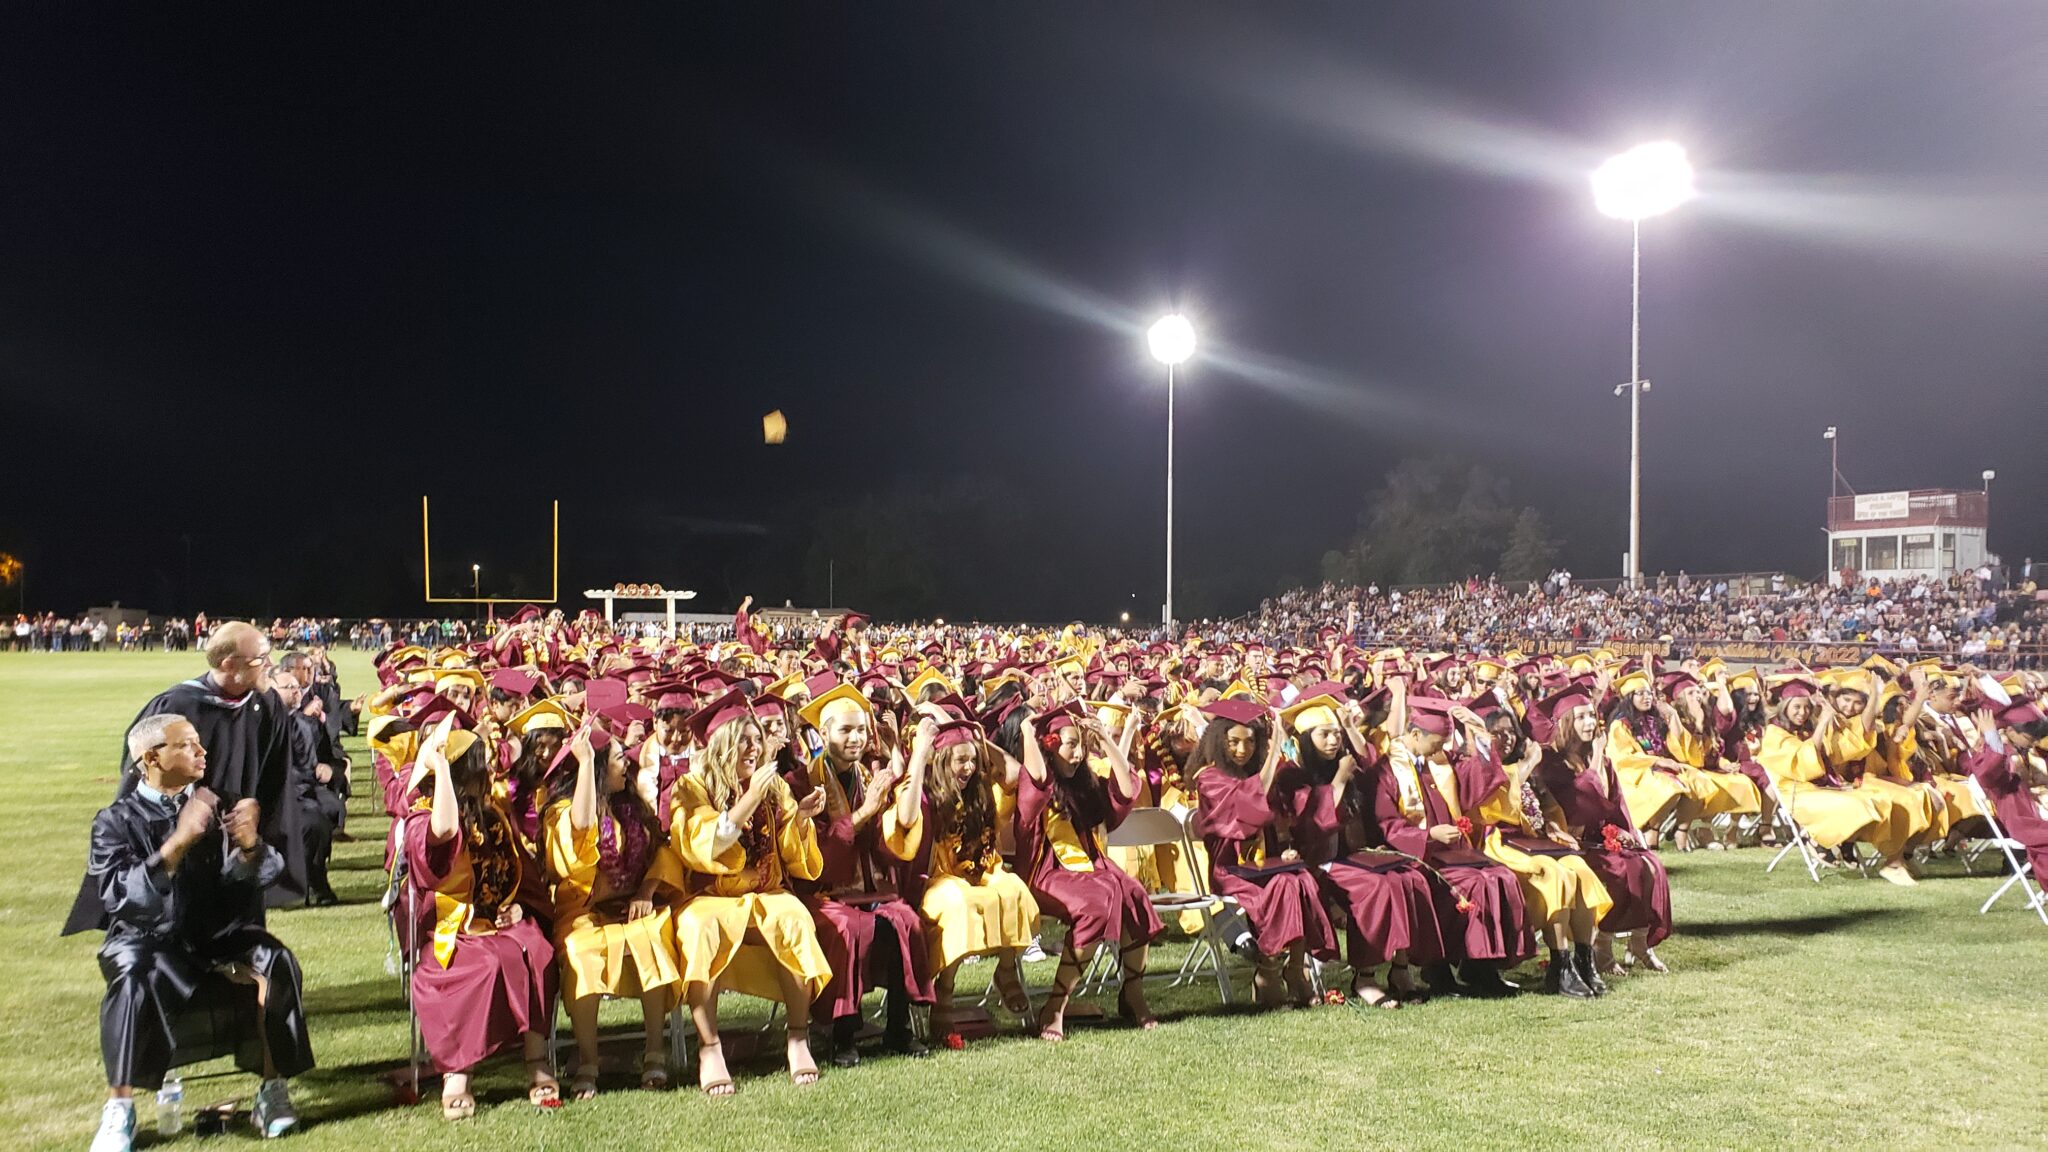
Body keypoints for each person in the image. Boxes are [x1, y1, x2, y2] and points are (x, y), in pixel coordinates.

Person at [87, 715, 312, 1152]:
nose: (202, 752)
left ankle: (271, 1091)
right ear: (151, 758)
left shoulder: (222, 802)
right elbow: (119, 896)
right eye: (187, 745)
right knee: (131, 973)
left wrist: (250, 846)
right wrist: (179, 841)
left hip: (216, 933)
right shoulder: (115, 820)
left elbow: (261, 876)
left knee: (275, 958)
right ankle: (120, 1109)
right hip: (147, 937)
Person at [67, 621, 309, 932]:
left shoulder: (266, 703)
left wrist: (262, 841)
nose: (270, 665)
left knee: (239, 939)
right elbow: (142, 775)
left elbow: (275, 779)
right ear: (228, 664)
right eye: (260, 658)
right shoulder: (176, 706)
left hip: (234, 843)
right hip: (182, 843)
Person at [667, 688, 832, 1095]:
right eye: (744, 740)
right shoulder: (692, 787)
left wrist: (802, 818)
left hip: (764, 892)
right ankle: (709, 1047)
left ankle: (797, 1037)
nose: (754, 748)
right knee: (700, 930)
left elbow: (792, 852)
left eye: (757, 739)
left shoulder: (771, 786)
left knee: (794, 919)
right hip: (710, 897)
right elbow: (704, 843)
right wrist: (751, 797)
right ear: (722, 745)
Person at [404, 716, 560, 1120]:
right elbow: (445, 827)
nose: (489, 770)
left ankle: (536, 1060)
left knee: (537, 950)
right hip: (450, 932)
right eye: (479, 764)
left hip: (496, 923)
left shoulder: (491, 815)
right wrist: (437, 767)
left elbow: (517, 872)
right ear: (462, 774)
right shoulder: (423, 819)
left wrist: (521, 906)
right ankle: (458, 1073)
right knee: (487, 964)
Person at [789, 682, 934, 1065]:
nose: (856, 739)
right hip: (822, 891)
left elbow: (888, 845)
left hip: (871, 888)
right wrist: (864, 813)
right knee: (849, 930)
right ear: (823, 734)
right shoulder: (802, 782)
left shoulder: (871, 776)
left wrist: (887, 799)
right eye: (845, 730)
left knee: (905, 921)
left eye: (860, 730)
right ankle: (843, 1034)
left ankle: (898, 1029)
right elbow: (813, 855)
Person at [543, 723, 685, 1099]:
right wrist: (587, 762)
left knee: (652, 940)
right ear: (600, 767)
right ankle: (589, 1059)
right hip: (584, 911)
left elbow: (661, 850)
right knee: (581, 953)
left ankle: (654, 1050)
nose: (629, 764)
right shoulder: (562, 812)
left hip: (635, 908)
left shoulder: (632, 805)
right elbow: (579, 839)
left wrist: (647, 888)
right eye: (620, 758)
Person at [1014, 699, 1162, 1040]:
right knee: (1096, 900)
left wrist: (1109, 740)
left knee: (1134, 894)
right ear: (1050, 747)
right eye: (1070, 745)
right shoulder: (1037, 782)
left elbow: (1123, 793)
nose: (1078, 754)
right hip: (1046, 872)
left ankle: (1132, 993)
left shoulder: (1085, 781)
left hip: (1092, 868)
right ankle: (1056, 1003)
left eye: (1080, 745)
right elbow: (1035, 777)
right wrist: (1027, 729)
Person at [1188, 697, 1338, 1009]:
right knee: (1284, 885)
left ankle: (1295, 970)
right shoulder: (1209, 778)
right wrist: (1274, 751)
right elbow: (1247, 808)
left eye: (1251, 742)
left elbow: (1287, 818)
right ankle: (1268, 972)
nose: (1243, 750)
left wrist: (1282, 851)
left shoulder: (1259, 774)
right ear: (1219, 742)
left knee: (1299, 879)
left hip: (1264, 867)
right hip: (1230, 871)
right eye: (1234, 742)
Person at [911, 713, 1038, 1046]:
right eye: (960, 760)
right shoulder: (927, 792)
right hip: (940, 877)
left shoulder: (981, 789)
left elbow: (1012, 772)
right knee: (960, 903)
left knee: (1015, 891)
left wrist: (978, 737)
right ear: (941, 761)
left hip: (983, 868)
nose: (968, 768)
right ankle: (945, 990)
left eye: (972, 760)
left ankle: (1006, 970)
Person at [1533, 689, 1676, 977]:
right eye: (1581, 717)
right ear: (1565, 723)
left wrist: (1623, 831)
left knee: (1648, 864)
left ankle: (1640, 943)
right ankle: (1602, 949)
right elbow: (1587, 797)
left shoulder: (1601, 761)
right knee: (1618, 869)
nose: (1590, 723)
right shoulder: (1551, 762)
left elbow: (1615, 803)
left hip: (1598, 838)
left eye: (1592, 716)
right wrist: (1598, 754)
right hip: (1567, 843)